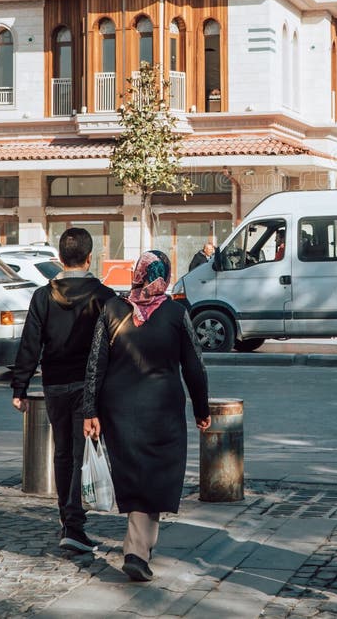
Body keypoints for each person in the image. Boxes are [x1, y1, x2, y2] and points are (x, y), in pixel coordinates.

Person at [83, 250, 210, 583]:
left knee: (134, 473)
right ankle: (137, 552)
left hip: (118, 410)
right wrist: (202, 409)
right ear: (163, 275)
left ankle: (138, 548)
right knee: (154, 476)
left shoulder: (112, 309)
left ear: (137, 274)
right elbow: (195, 366)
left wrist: (90, 410)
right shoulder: (176, 313)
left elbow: (95, 363)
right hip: (163, 411)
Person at [11, 228, 116, 552]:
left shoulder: (43, 296)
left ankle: (67, 518)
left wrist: (20, 387)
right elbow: (115, 347)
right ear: (89, 258)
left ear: (59, 258)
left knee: (63, 452)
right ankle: (74, 524)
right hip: (90, 386)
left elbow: (30, 343)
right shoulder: (105, 296)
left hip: (54, 384)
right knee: (82, 451)